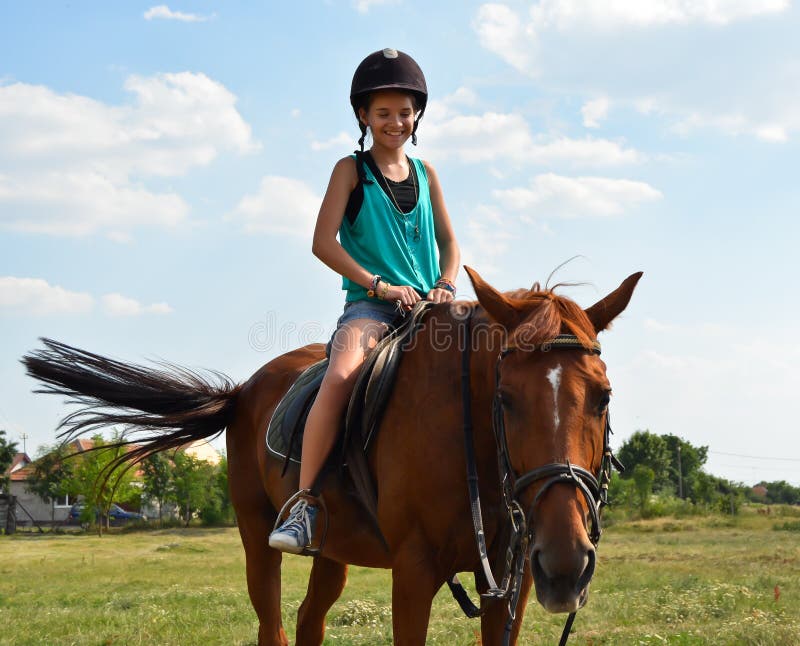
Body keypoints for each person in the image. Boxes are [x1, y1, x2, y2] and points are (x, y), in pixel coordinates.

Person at [268, 48, 460, 554]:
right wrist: (379, 286)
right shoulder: (350, 170)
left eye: (404, 112)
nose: (395, 122)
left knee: (492, 363)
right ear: (363, 116)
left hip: (430, 307)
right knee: (340, 374)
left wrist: (446, 283)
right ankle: (305, 505)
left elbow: (449, 242)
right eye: (383, 113)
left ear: (417, 114)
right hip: (372, 308)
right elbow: (322, 243)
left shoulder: (428, 174)